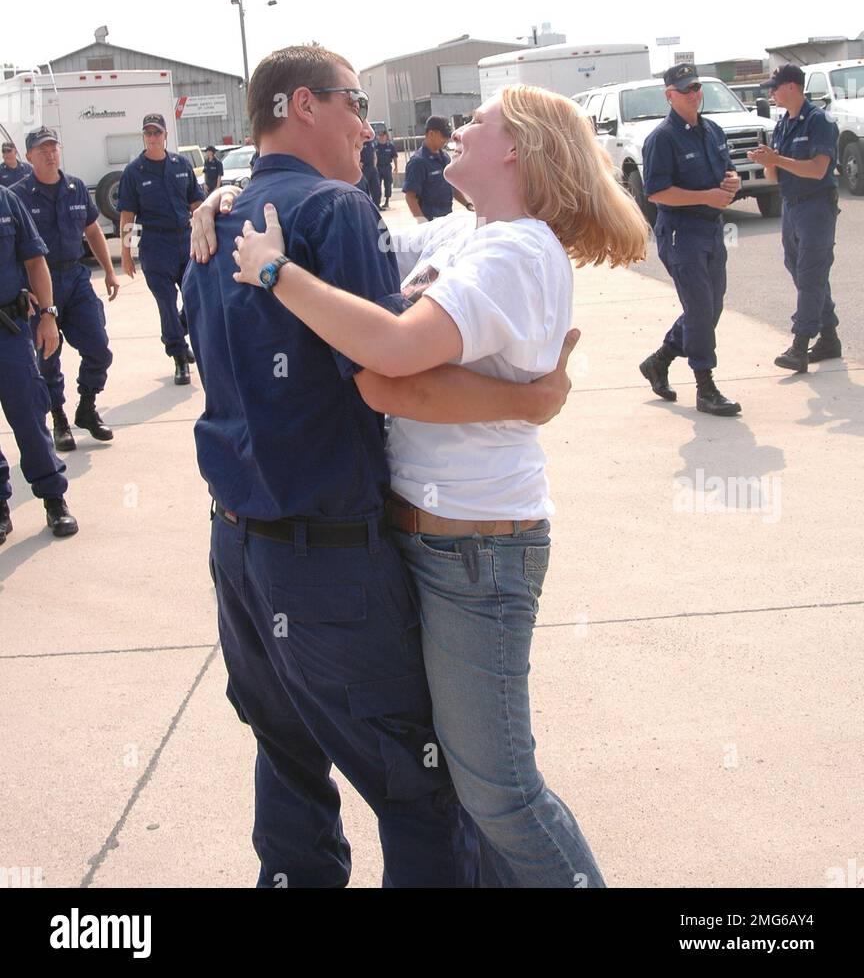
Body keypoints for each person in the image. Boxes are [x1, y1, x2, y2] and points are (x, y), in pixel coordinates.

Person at [229, 82, 648, 888]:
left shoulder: (519, 250)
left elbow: (388, 365)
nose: (457, 128)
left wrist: (275, 270)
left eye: (478, 122)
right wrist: (228, 198)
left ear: (517, 148)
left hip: (476, 551)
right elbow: (343, 235)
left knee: (501, 795)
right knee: (461, 780)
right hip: (428, 538)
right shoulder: (467, 232)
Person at [639, 64, 742, 417]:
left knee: (711, 308)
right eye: (685, 90)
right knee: (700, 310)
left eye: (696, 87)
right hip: (682, 233)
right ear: (669, 95)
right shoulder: (662, 139)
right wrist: (706, 197)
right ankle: (705, 387)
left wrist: (731, 184)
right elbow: (656, 193)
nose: (693, 94)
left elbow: (725, 172)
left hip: (712, 229)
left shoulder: (711, 130)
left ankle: (660, 360)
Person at [12, 127, 118, 452]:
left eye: (53, 147)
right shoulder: (18, 195)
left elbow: (93, 231)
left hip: (75, 278)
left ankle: (86, 407)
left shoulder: (74, 188)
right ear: (28, 157)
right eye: (42, 150)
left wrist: (110, 271)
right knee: (48, 357)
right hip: (39, 286)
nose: (49, 154)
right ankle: (58, 418)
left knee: (99, 348)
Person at [748, 63, 841, 371]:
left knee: (811, 272)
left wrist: (778, 159)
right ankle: (828, 337)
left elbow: (817, 170)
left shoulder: (819, 121)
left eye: (774, 88)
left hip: (816, 206)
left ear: (791, 87)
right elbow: (774, 177)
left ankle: (800, 345)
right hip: (792, 205)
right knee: (800, 270)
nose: (771, 94)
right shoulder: (783, 124)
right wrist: (768, 161)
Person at [0, 183, 77, 545]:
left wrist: (48, 315)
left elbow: (34, 260)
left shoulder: (6, 200)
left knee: (30, 419)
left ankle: (53, 498)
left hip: (9, 329)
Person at [117, 114, 203, 385]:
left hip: (185, 239)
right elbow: (128, 215)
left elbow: (196, 203)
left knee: (196, 294)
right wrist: (127, 253)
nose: (152, 138)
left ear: (165, 135)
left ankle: (177, 331)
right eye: (148, 133)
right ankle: (179, 357)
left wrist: (206, 234)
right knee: (165, 303)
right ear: (144, 136)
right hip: (155, 245)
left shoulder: (180, 164)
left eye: (157, 133)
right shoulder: (134, 172)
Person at [403, 116, 472, 220]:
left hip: (447, 216)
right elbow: (410, 197)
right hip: (430, 219)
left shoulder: (444, 157)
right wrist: (422, 222)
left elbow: (452, 187)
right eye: (443, 136)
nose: (446, 140)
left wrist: (467, 204)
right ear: (431, 134)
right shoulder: (418, 162)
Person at [374, 129, 398, 208]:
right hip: (378, 168)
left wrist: (396, 167)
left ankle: (387, 201)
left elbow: (394, 156)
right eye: (380, 135)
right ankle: (377, 202)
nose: (381, 137)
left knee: (388, 184)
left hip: (387, 167)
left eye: (383, 135)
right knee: (377, 185)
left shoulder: (390, 146)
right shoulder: (375, 146)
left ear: (386, 136)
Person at [358, 137, 380, 203]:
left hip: (372, 167)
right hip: (364, 168)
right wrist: (358, 162)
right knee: (364, 187)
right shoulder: (359, 141)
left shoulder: (371, 143)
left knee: (376, 187)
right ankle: (366, 204)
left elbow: (374, 153)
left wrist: (375, 164)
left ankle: (377, 204)